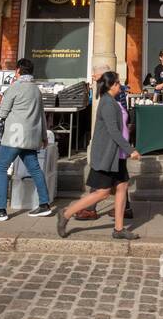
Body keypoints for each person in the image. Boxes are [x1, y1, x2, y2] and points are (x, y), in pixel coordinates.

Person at [57, 72, 140, 241]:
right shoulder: (108, 104)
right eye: (117, 83)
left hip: (117, 155)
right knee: (102, 193)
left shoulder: (112, 101)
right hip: (107, 155)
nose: (119, 86)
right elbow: (113, 131)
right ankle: (66, 213)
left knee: (122, 187)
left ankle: (118, 229)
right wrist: (130, 149)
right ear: (111, 86)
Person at [0, 58, 53, 221]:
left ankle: (0, 210)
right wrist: (43, 136)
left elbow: (3, 113)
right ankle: (44, 204)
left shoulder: (15, 87)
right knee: (35, 169)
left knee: (0, 167)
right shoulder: (36, 90)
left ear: (18, 71)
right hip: (31, 137)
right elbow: (42, 114)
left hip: (14, 136)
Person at [74, 78, 134, 223]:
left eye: (96, 75)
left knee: (104, 188)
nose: (94, 78)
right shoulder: (110, 99)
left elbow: (114, 129)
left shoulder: (111, 98)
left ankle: (72, 212)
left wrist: (128, 149)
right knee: (118, 185)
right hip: (116, 149)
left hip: (113, 149)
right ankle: (120, 219)